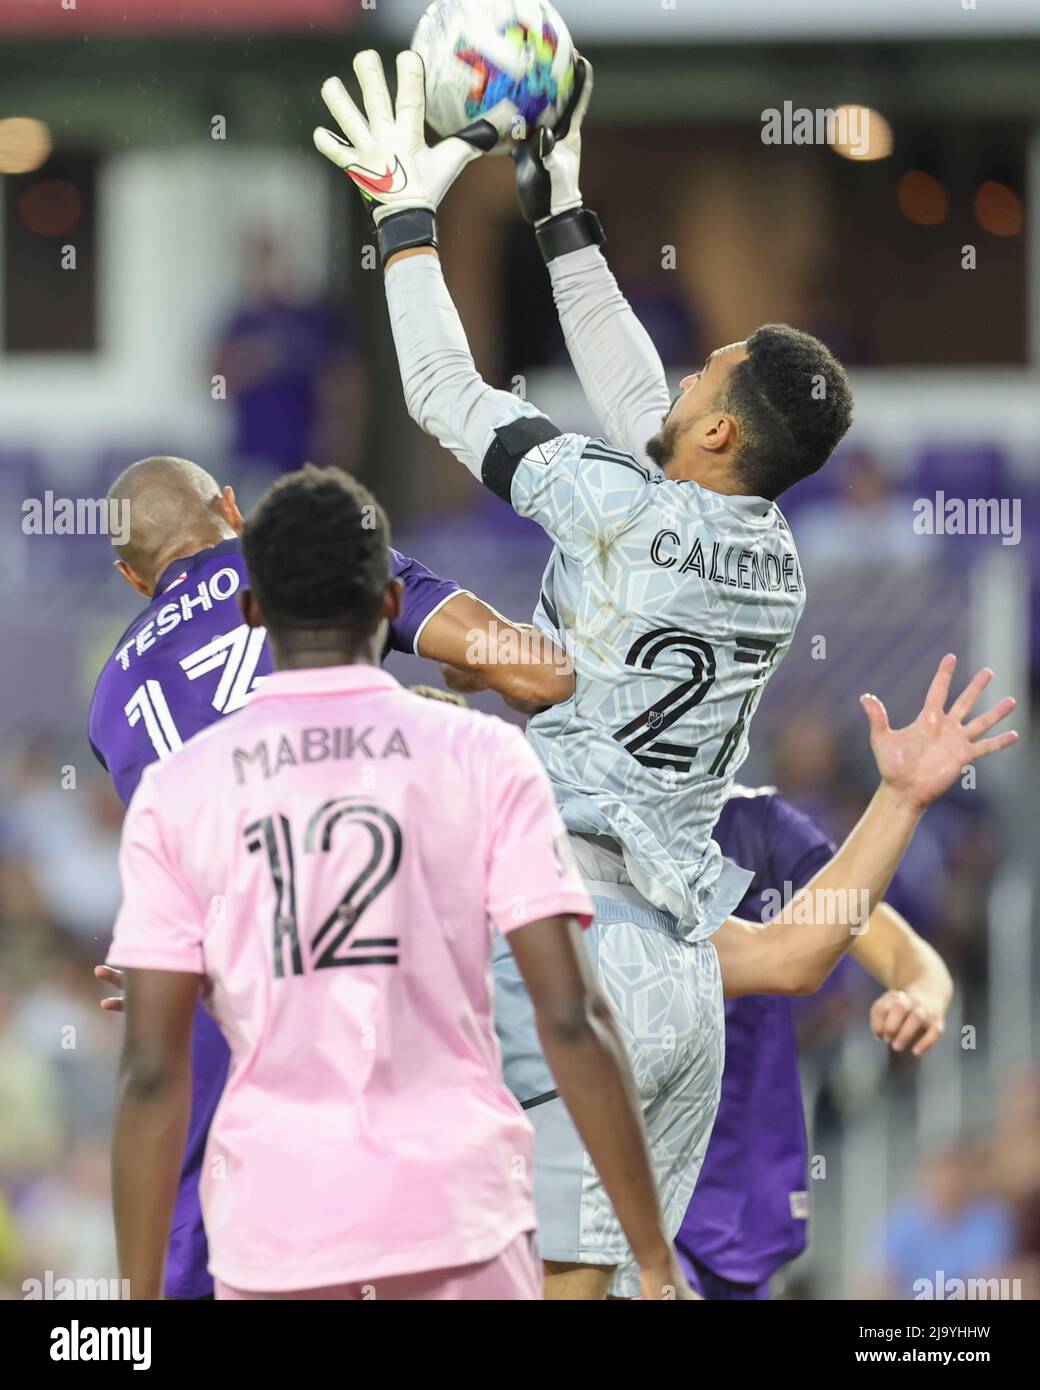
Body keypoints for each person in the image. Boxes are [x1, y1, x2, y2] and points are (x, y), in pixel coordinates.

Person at [312, 50, 1015, 1299]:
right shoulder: (774, 561)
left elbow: (436, 386)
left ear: (719, 431)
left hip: (564, 942)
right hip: (682, 975)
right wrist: (556, 197)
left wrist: (400, 214)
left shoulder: (611, 508)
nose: (683, 371)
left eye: (707, 372)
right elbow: (649, 402)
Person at [107, 465, 692, 1301]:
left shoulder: (148, 748)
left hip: (273, 1219)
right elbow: (574, 1016)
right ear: (387, 601)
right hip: (456, 1217)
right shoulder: (480, 755)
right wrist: (654, 1260)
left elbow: (149, 1075)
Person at [675, 784, 953, 1300]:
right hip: (616, 1189)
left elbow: (896, 946)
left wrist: (923, 990)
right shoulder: (566, 824)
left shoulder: (754, 824)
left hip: (740, 1201)